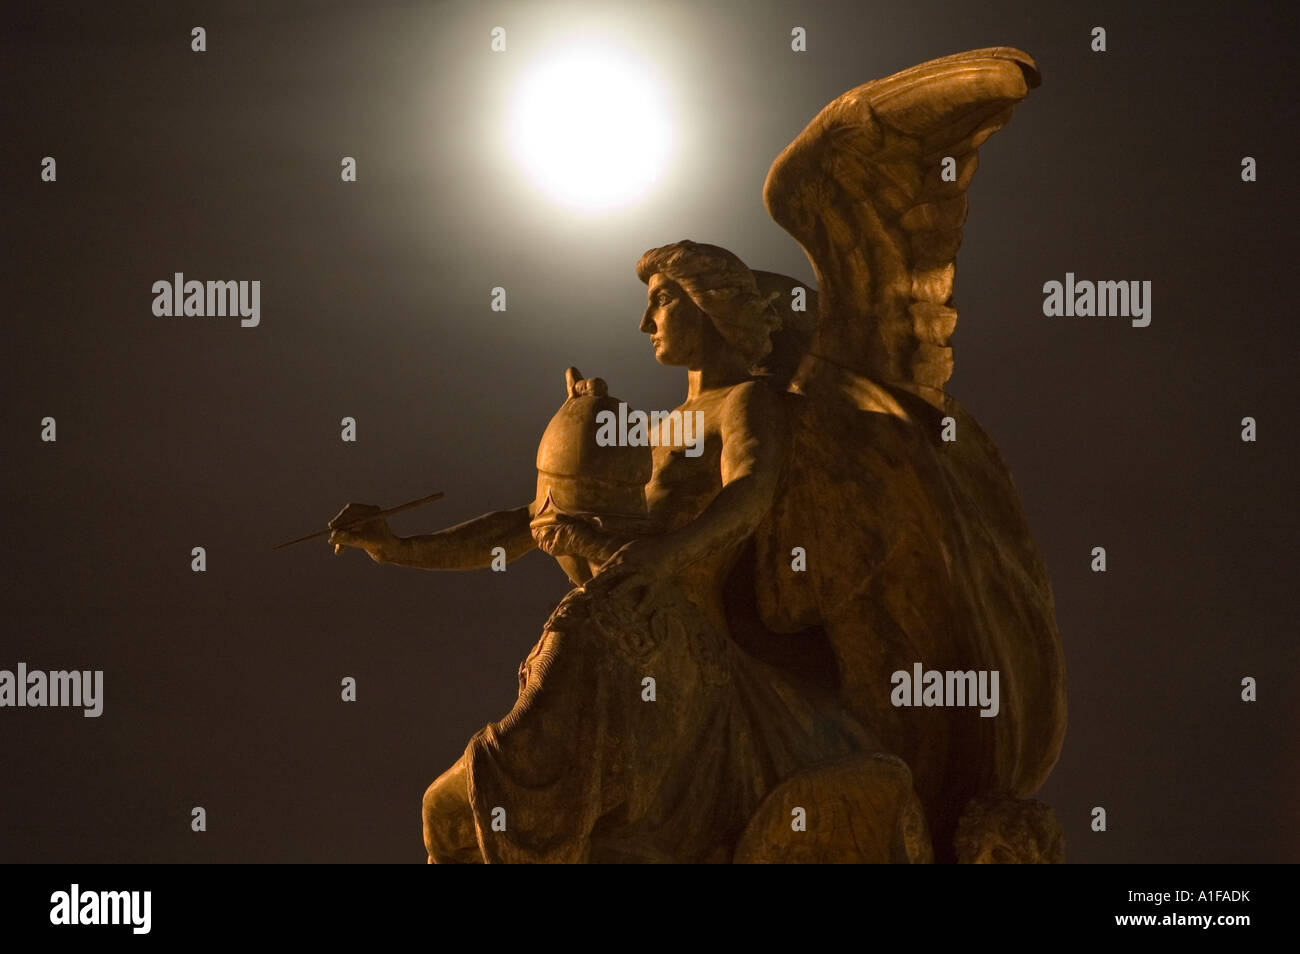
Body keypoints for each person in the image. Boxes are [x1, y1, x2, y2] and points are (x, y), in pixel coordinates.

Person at [329, 241, 873, 862]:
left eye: (660, 302)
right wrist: (397, 547)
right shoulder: (656, 428)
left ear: (710, 306)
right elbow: (532, 523)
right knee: (449, 813)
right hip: (603, 635)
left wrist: (663, 557)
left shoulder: (748, 403)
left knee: (483, 813)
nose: (645, 323)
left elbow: (751, 491)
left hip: (674, 645)